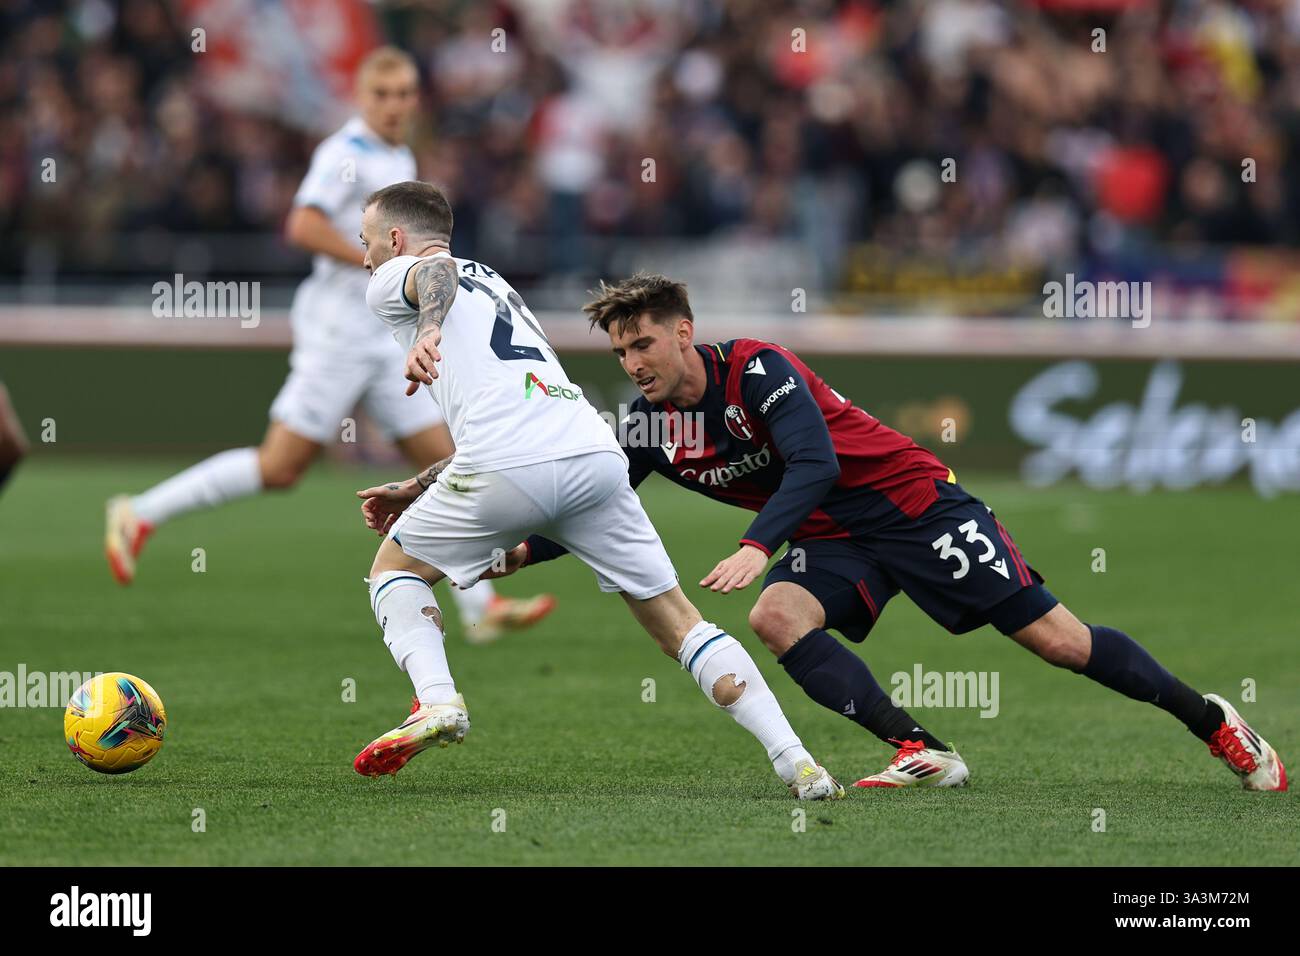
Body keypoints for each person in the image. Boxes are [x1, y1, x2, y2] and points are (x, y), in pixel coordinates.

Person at [494, 272, 1287, 793]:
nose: (633, 362)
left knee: (1060, 643)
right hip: (835, 536)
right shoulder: (648, 427)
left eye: (643, 343)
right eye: (620, 350)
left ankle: (1213, 721)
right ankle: (921, 749)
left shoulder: (758, 368)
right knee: (775, 617)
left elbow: (813, 464)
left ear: (683, 332)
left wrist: (755, 544)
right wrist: (520, 551)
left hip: (914, 505)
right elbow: (604, 511)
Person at [350, 181, 842, 800]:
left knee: (395, 570)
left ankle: (437, 701)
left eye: (366, 240)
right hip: (591, 453)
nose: (363, 253)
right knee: (678, 624)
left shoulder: (401, 275)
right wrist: (419, 483)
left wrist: (425, 328)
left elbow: (432, 275)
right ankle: (797, 762)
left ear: (395, 239)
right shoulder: (496, 281)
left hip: (508, 459)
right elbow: (512, 405)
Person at [103, 47, 553, 643]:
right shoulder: (344, 152)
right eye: (382, 95)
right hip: (339, 336)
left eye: (405, 94)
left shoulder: (400, 155)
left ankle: (480, 606)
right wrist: (378, 263)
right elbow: (302, 225)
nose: (395, 105)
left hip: (387, 339)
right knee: (282, 466)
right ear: (361, 98)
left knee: (445, 458)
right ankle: (139, 512)